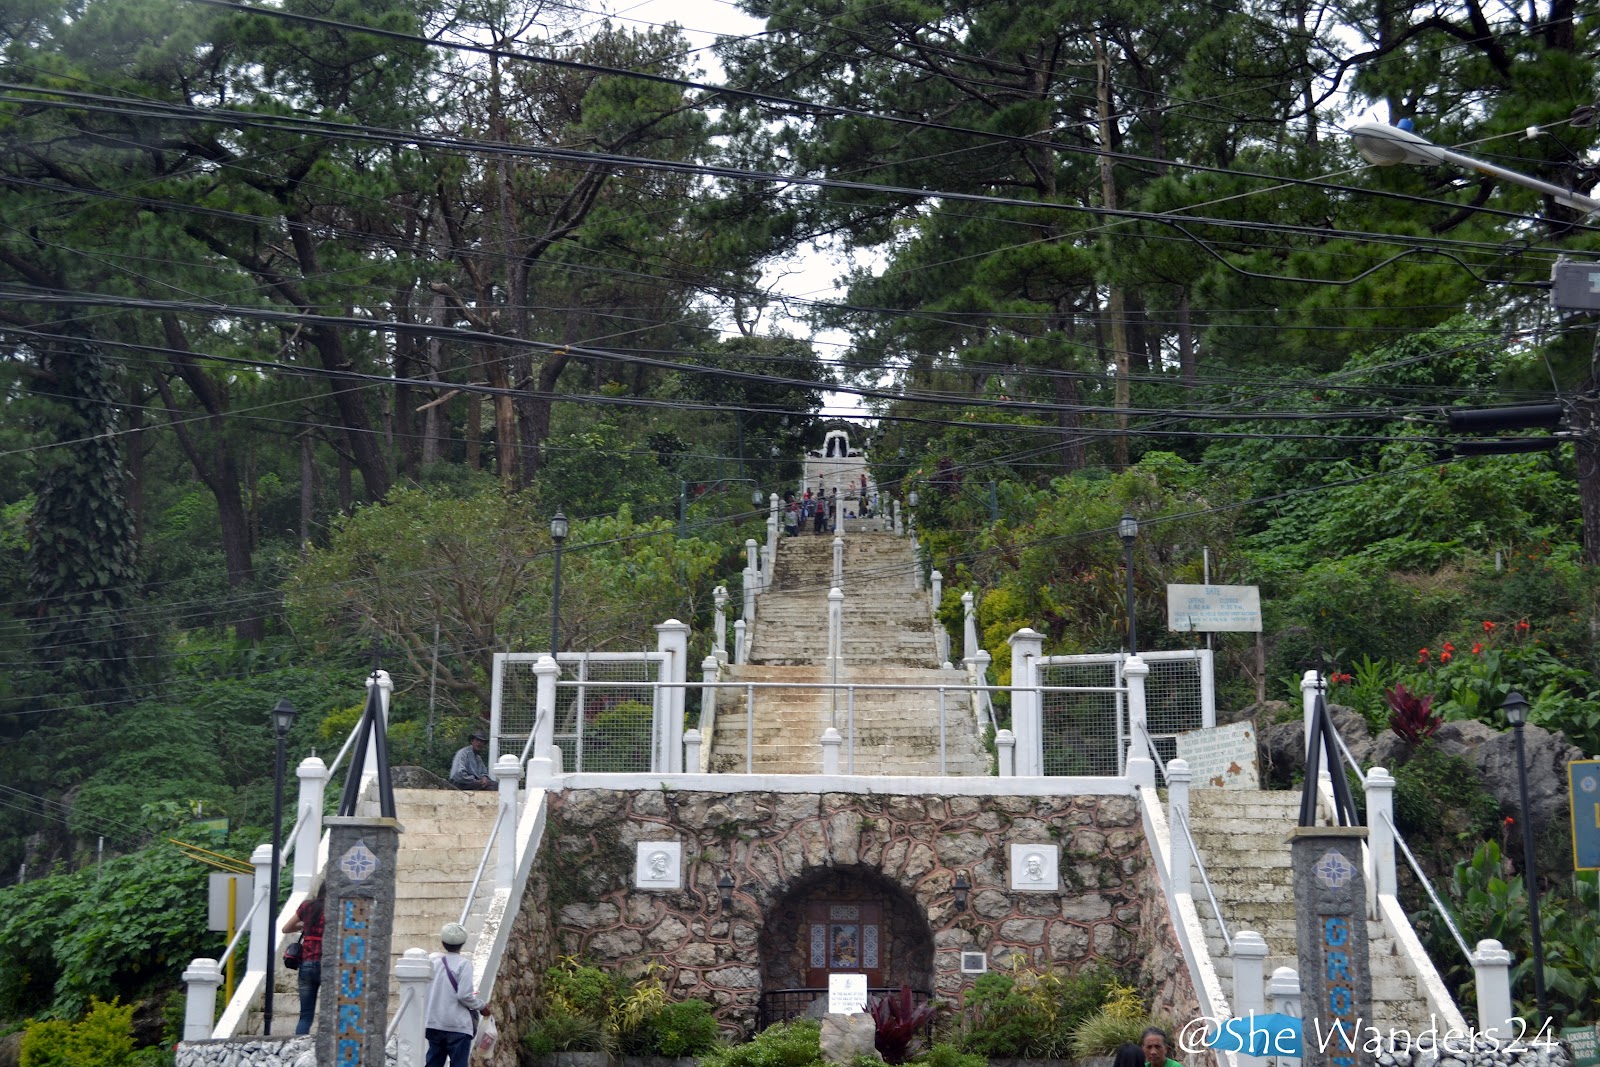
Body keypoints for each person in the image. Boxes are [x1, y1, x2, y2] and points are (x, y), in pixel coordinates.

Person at [425, 922, 490, 1067]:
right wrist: (482, 1006)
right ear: (463, 943)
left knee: (433, 1063)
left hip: (434, 1024)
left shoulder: (432, 961)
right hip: (457, 1027)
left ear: (442, 942)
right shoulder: (463, 964)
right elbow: (464, 995)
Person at [281, 887, 325, 1035]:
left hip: (306, 965)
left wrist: (304, 926)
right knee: (329, 1014)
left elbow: (286, 928)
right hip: (328, 966)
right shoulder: (336, 909)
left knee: (305, 1016)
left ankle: (299, 1048)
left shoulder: (307, 906)